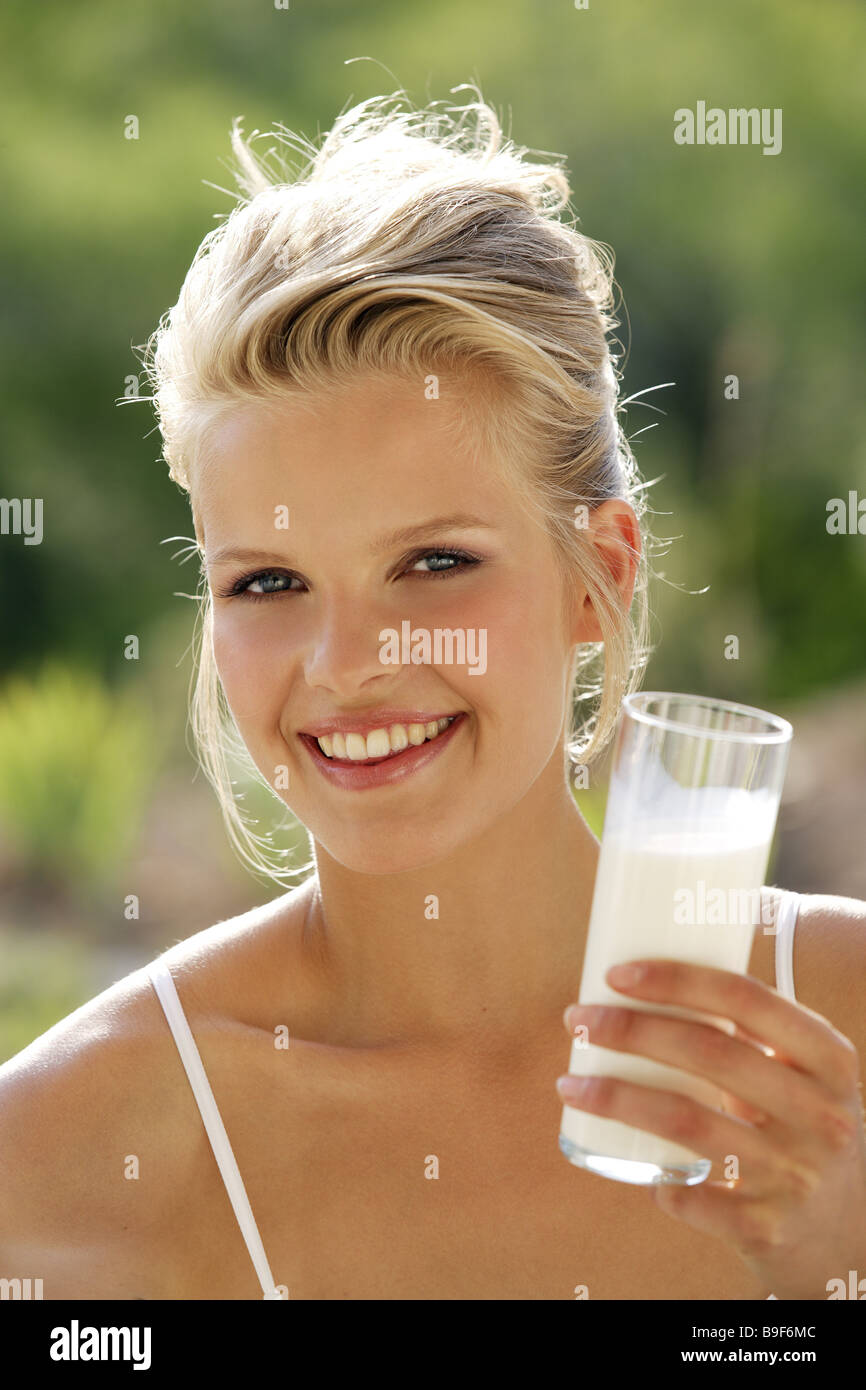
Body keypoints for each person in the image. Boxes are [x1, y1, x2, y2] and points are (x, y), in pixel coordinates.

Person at [1, 88, 864, 1301]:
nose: (345, 663)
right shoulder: (57, 1164)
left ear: (596, 576)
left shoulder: (840, 1037)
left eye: (433, 562)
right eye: (267, 580)